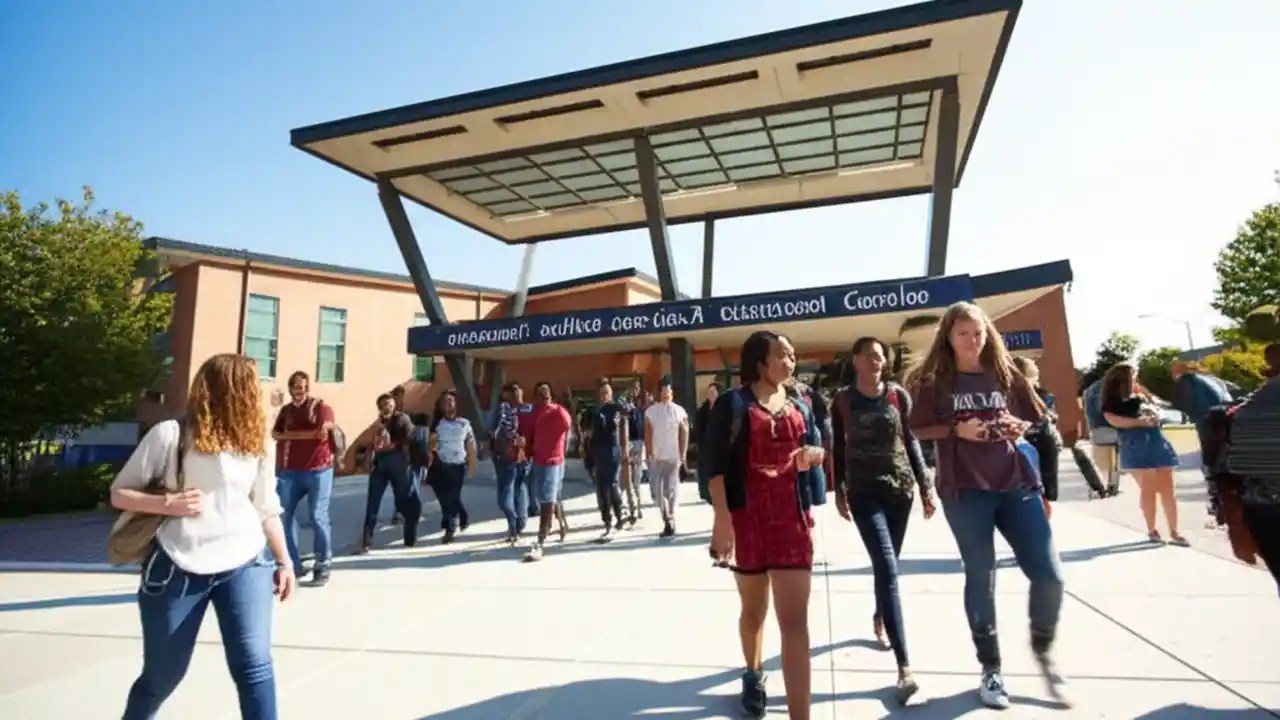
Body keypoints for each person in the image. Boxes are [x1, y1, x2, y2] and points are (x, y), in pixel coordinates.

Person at [110, 353, 294, 719]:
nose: (259, 392)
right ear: (233, 389)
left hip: (247, 562)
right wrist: (168, 503)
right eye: (253, 385)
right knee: (162, 676)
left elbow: (266, 508)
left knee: (255, 667)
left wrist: (285, 561)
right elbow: (119, 494)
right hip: (178, 564)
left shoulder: (257, 441)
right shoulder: (171, 434)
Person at [907, 302, 1069, 710]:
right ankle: (991, 667)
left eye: (977, 332)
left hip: (1016, 483)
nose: (971, 340)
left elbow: (1035, 414)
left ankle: (1044, 648)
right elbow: (917, 427)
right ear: (948, 336)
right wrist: (955, 429)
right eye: (963, 333)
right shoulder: (934, 380)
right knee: (982, 575)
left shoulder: (1004, 371)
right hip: (965, 488)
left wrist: (1018, 426)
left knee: (1050, 575)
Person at [707, 330, 825, 720]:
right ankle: (754, 673)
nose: (790, 362)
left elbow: (819, 444)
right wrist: (722, 521)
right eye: (783, 355)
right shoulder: (733, 404)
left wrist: (815, 454)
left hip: (791, 520)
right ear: (761, 362)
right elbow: (715, 467)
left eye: (793, 355)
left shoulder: (801, 404)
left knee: (795, 624)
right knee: (753, 611)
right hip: (747, 521)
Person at [831, 337, 934, 705]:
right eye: (869, 355)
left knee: (884, 567)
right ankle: (905, 668)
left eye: (881, 356)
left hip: (899, 491)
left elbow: (911, 440)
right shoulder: (842, 400)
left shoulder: (897, 396)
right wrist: (838, 490)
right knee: (888, 569)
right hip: (863, 493)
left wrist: (925, 487)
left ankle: (880, 612)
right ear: (855, 358)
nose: (876, 361)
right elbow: (838, 447)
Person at [1100, 362, 1187, 546]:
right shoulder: (1112, 401)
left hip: (1155, 439)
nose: (1135, 379)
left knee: (1167, 488)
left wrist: (1152, 409)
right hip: (1135, 443)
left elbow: (1161, 408)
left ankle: (1174, 531)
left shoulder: (1141, 395)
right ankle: (1152, 530)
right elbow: (1114, 420)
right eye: (1133, 376)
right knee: (1149, 487)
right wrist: (1140, 423)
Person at [270, 370, 336, 586]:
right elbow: (274, 434)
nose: (300, 391)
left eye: (304, 387)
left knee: (318, 515)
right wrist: (306, 435)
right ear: (290, 389)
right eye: (297, 387)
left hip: (319, 469)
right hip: (290, 471)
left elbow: (322, 434)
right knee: (283, 516)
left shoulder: (322, 408)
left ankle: (323, 565)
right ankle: (292, 564)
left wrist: (289, 435)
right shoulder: (286, 411)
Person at [358, 392, 421, 553]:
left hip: (398, 463)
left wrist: (393, 445)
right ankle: (366, 542)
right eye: (384, 404)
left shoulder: (402, 419)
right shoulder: (378, 423)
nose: (388, 407)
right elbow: (372, 444)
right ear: (379, 407)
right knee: (373, 504)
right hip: (380, 465)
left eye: (390, 404)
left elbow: (411, 437)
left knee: (403, 501)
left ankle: (410, 537)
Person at [525, 381, 573, 561]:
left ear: (550, 394)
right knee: (548, 496)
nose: (543, 394)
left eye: (546, 391)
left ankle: (541, 537)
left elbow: (568, 427)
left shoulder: (558, 411)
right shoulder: (536, 412)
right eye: (540, 392)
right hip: (538, 460)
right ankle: (562, 524)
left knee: (547, 499)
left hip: (553, 462)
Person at [430, 390, 477, 544]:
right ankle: (462, 515)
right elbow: (430, 446)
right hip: (440, 465)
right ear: (441, 406)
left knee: (452, 497)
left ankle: (450, 528)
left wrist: (471, 467)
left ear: (456, 403)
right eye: (445, 401)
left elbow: (471, 447)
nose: (448, 403)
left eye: (450, 400)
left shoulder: (464, 424)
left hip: (457, 466)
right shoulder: (437, 424)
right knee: (445, 497)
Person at [1014, 357, 1063, 502]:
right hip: (1033, 442)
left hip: (1037, 441)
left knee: (1041, 489)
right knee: (1035, 488)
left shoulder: (1041, 394)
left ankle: (1041, 516)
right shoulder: (1007, 394)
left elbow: (1050, 417)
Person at [645, 377, 690, 537]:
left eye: (669, 391)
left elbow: (684, 432)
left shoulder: (679, 411)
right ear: (660, 393)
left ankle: (671, 517)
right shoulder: (651, 411)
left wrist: (683, 455)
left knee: (671, 490)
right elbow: (648, 433)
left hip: (673, 456)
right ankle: (666, 517)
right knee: (657, 492)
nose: (666, 394)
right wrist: (649, 453)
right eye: (664, 391)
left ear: (672, 393)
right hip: (657, 457)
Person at [585, 379, 628, 541]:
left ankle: (619, 515)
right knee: (601, 488)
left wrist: (625, 451)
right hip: (598, 452)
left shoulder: (615, 409)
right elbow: (591, 431)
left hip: (612, 450)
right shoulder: (596, 410)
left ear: (611, 394)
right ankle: (607, 520)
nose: (604, 396)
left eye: (607, 393)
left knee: (612, 484)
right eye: (601, 393)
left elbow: (618, 428)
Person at [492, 383, 532, 545]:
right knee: (514, 489)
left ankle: (516, 523)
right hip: (509, 456)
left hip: (517, 456)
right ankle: (517, 522)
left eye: (517, 389)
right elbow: (498, 430)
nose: (516, 393)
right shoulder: (504, 409)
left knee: (513, 489)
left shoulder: (526, 409)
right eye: (512, 390)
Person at [1082, 378, 1122, 497]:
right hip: (1112, 427)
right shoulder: (1112, 389)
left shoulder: (1089, 390)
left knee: (1101, 456)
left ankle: (1101, 485)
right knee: (1117, 455)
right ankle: (1113, 485)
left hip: (1096, 429)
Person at [619, 391, 645, 524]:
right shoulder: (639, 414)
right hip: (638, 446)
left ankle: (628, 508)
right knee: (636, 482)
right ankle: (638, 508)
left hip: (629, 446)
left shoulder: (625, 415)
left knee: (624, 482)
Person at [694, 382, 721, 502]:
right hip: (706, 447)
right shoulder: (702, 411)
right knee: (706, 471)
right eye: (709, 392)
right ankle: (706, 493)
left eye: (713, 392)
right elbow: (698, 430)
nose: (711, 395)